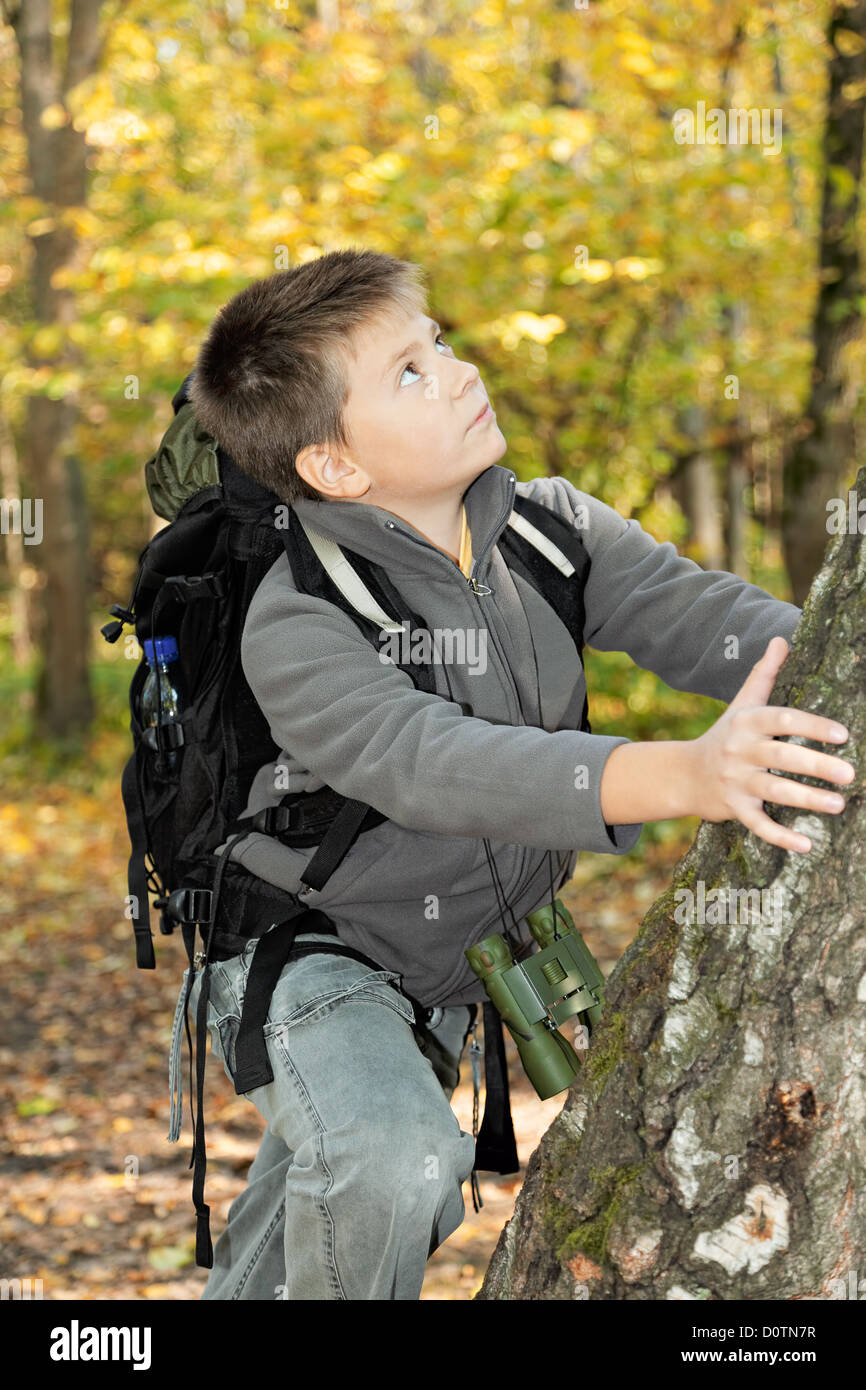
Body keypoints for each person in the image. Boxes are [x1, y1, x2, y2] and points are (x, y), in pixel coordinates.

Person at [177, 247, 854, 1300]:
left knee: (342, 1197)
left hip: (446, 971)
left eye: (436, 342)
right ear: (335, 468)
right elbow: (429, 764)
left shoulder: (550, 529)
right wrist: (682, 772)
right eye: (406, 371)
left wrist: (829, 672)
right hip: (308, 966)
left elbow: (718, 628)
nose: (453, 369)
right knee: (391, 1163)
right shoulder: (299, 615)